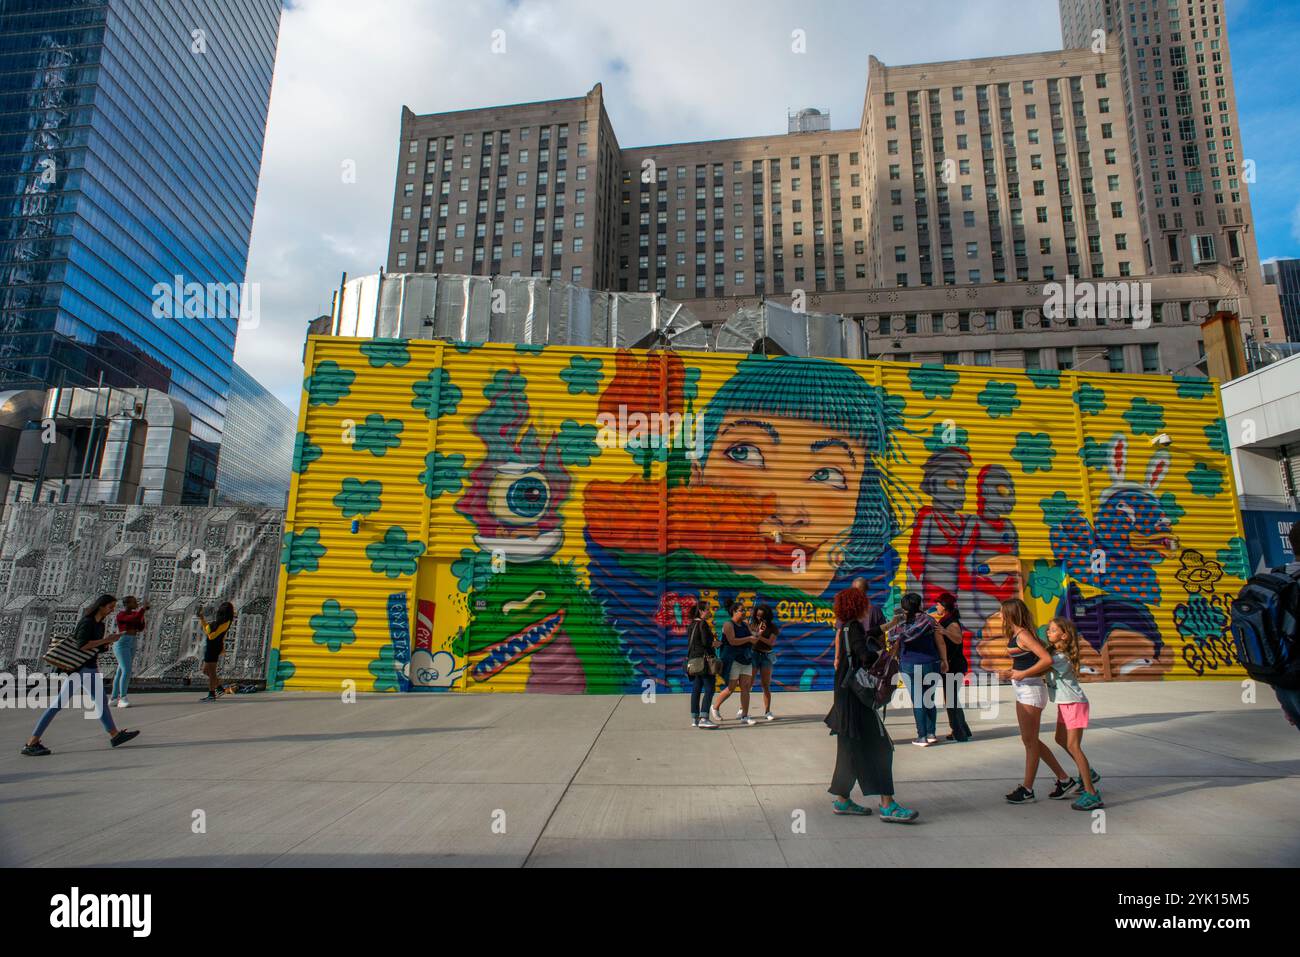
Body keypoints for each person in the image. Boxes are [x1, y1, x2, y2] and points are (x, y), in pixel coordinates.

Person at [825, 586, 918, 822]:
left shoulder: (846, 626)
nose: (867, 606)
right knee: (881, 748)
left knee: (849, 752)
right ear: (857, 605)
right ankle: (888, 805)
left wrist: (892, 623)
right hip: (858, 701)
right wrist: (885, 654)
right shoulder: (854, 627)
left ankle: (843, 801)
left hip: (844, 699)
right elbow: (863, 654)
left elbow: (870, 633)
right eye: (863, 602)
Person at [22, 595, 140, 756]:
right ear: (101, 606)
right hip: (78, 670)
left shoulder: (100, 625)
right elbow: (82, 645)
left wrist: (106, 644)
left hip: (90, 668)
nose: (112, 610)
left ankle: (115, 735)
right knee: (57, 705)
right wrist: (106, 640)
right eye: (110, 606)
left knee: (101, 702)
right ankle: (32, 742)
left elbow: (94, 647)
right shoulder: (87, 622)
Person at [1002, 598, 1073, 804]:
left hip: (1031, 691)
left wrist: (1022, 674)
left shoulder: (1023, 634)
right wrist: (1014, 673)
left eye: (1001, 612)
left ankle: (1027, 789)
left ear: (1010, 614)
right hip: (1024, 690)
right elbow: (1036, 656)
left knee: (1030, 742)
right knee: (1029, 740)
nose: (999, 616)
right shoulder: (1019, 634)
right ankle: (1063, 778)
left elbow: (1046, 659)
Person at [1046, 617, 1104, 810]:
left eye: (1053, 630)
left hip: (1074, 704)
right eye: (1049, 629)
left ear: (1064, 635)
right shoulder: (1054, 653)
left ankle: (1092, 794)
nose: (1048, 632)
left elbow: (1041, 667)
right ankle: (1089, 773)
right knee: (1060, 739)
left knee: (1073, 746)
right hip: (1064, 704)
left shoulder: (1060, 658)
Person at [890, 591, 948, 747]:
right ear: (919, 604)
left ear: (904, 607)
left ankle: (921, 737)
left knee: (918, 700)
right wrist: (944, 660)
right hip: (931, 663)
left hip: (909, 664)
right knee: (929, 698)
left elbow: (893, 643)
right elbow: (940, 642)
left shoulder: (898, 624)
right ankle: (931, 734)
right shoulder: (930, 621)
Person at [710, 600, 757, 725]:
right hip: (733, 660)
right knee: (731, 688)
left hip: (746, 659)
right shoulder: (728, 624)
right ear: (734, 612)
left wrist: (757, 635)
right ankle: (715, 707)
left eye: (744, 610)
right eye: (741, 610)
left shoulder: (746, 624)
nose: (744, 612)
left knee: (746, 688)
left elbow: (754, 637)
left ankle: (744, 716)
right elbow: (732, 641)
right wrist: (749, 638)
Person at [935, 592, 972, 742]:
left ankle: (959, 732)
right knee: (952, 699)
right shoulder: (946, 619)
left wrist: (944, 631)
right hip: (953, 665)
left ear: (944, 606)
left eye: (938, 604)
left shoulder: (952, 622)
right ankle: (963, 729)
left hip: (954, 665)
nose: (936, 606)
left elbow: (958, 639)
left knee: (950, 700)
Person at [685, 604, 719, 728]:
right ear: (701, 611)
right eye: (707, 609)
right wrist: (716, 643)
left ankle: (694, 718)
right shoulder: (703, 624)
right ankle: (704, 717)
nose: (709, 611)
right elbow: (706, 643)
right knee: (710, 688)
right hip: (704, 661)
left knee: (696, 689)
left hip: (694, 660)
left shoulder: (691, 625)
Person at [111, 596, 149, 708]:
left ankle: (113, 698)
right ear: (127, 604)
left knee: (120, 670)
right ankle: (122, 697)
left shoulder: (135, 614)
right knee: (126, 670)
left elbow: (140, 627)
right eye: (134, 602)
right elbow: (133, 620)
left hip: (132, 641)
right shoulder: (121, 615)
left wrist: (142, 615)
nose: (136, 603)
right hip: (122, 642)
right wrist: (142, 610)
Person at [197, 602, 235, 702]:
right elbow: (208, 631)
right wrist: (202, 619)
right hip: (212, 647)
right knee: (205, 671)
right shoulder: (220, 622)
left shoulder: (224, 623)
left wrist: (208, 626)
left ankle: (211, 694)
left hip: (213, 648)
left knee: (212, 673)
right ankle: (219, 688)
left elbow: (211, 635)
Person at [749, 603, 779, 721]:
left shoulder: (773, 627)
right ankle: (742, 709)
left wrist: (759, 635)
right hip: (754, 654)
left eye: (762, 616)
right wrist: (757, 632)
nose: (759, 618)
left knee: (765, 684)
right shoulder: (753, 625)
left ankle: (767, 711)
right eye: (757, 616)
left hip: (766, 655)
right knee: (749, 683)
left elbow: (770, 642)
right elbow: (752, 641)